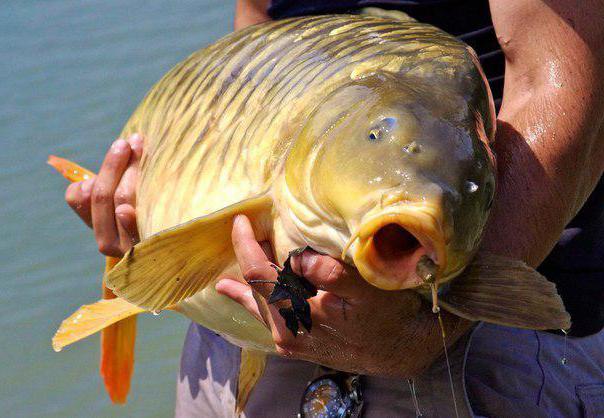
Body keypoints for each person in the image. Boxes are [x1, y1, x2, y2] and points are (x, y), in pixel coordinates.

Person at [65, 0, 604, 416]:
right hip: (238, 328)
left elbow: (569, 75)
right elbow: (258, 25)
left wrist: (432, 327)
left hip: (488, 326)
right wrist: (155, 210)